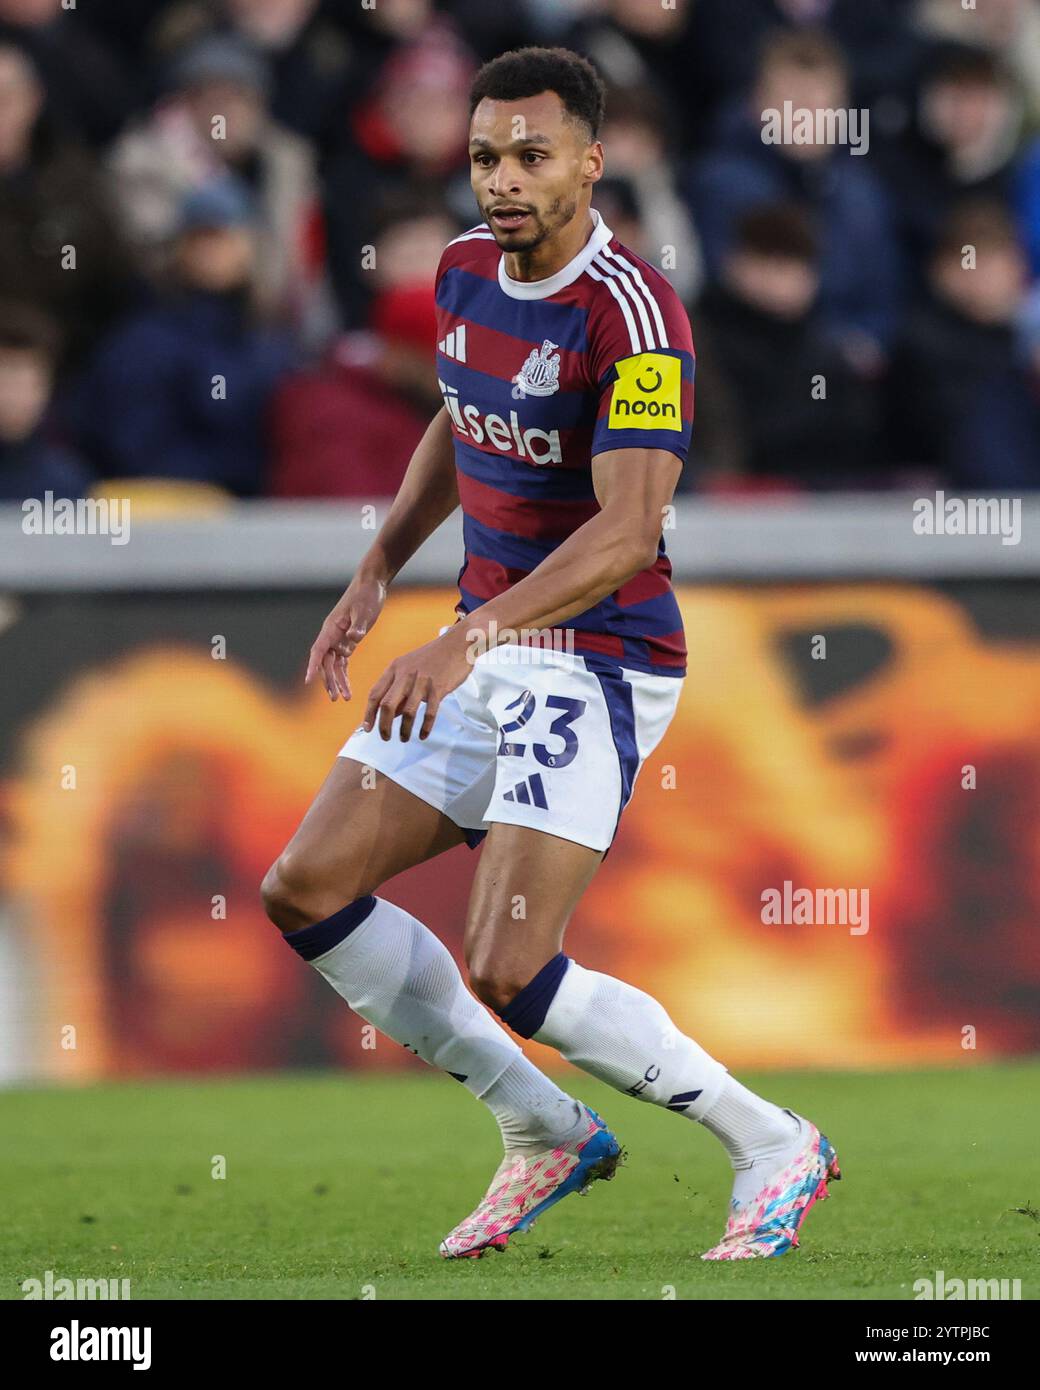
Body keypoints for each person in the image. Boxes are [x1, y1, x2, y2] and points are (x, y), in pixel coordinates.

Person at [261, 46, 841, 1262]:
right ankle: (539, 1126)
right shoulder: (467, 269)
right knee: (304, 886)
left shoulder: (633, 313)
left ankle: (772, 1141)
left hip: (593, 656)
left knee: (508, 962)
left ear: (591, 157)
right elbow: (454, 408)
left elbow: (627, 532)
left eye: (531, 155)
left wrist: (464, 638)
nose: (503, 180)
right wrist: (378, 566)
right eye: (484, 156)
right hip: (480, 641)